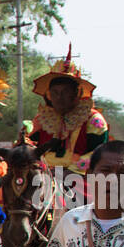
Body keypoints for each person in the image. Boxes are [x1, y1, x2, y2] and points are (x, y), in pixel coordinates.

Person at [29, 48, 109, 177]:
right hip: (43, 174)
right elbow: (29, 147)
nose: (59, 97)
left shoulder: (93, 119)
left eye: (65, 92)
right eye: (55, 93)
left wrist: (71, 170)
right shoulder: (41, 119)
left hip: (80, 176)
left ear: (77, 93)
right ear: (48, 95)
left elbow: (100, 151)